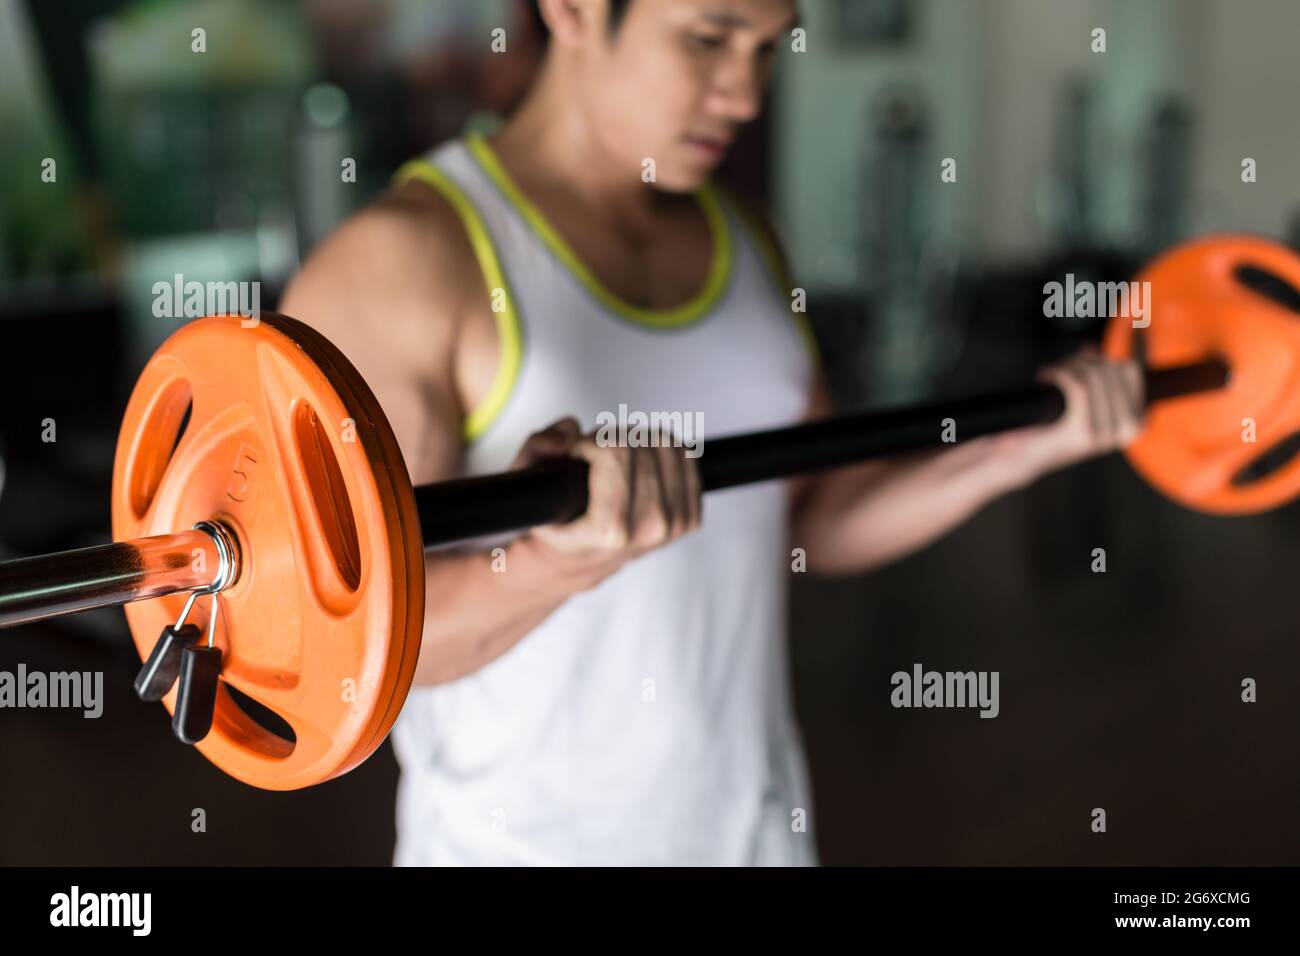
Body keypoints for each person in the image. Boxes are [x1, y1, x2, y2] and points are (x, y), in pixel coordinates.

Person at [280, 0, 1143, 865]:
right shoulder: (403, 262)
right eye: (708, 39)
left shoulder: (746, 238)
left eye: (768, 49)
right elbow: (374, 646)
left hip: (755, 837)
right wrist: (556, 560)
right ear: (574, 11)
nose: (745, 94)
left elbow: (810, 515)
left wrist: (1023, 446)